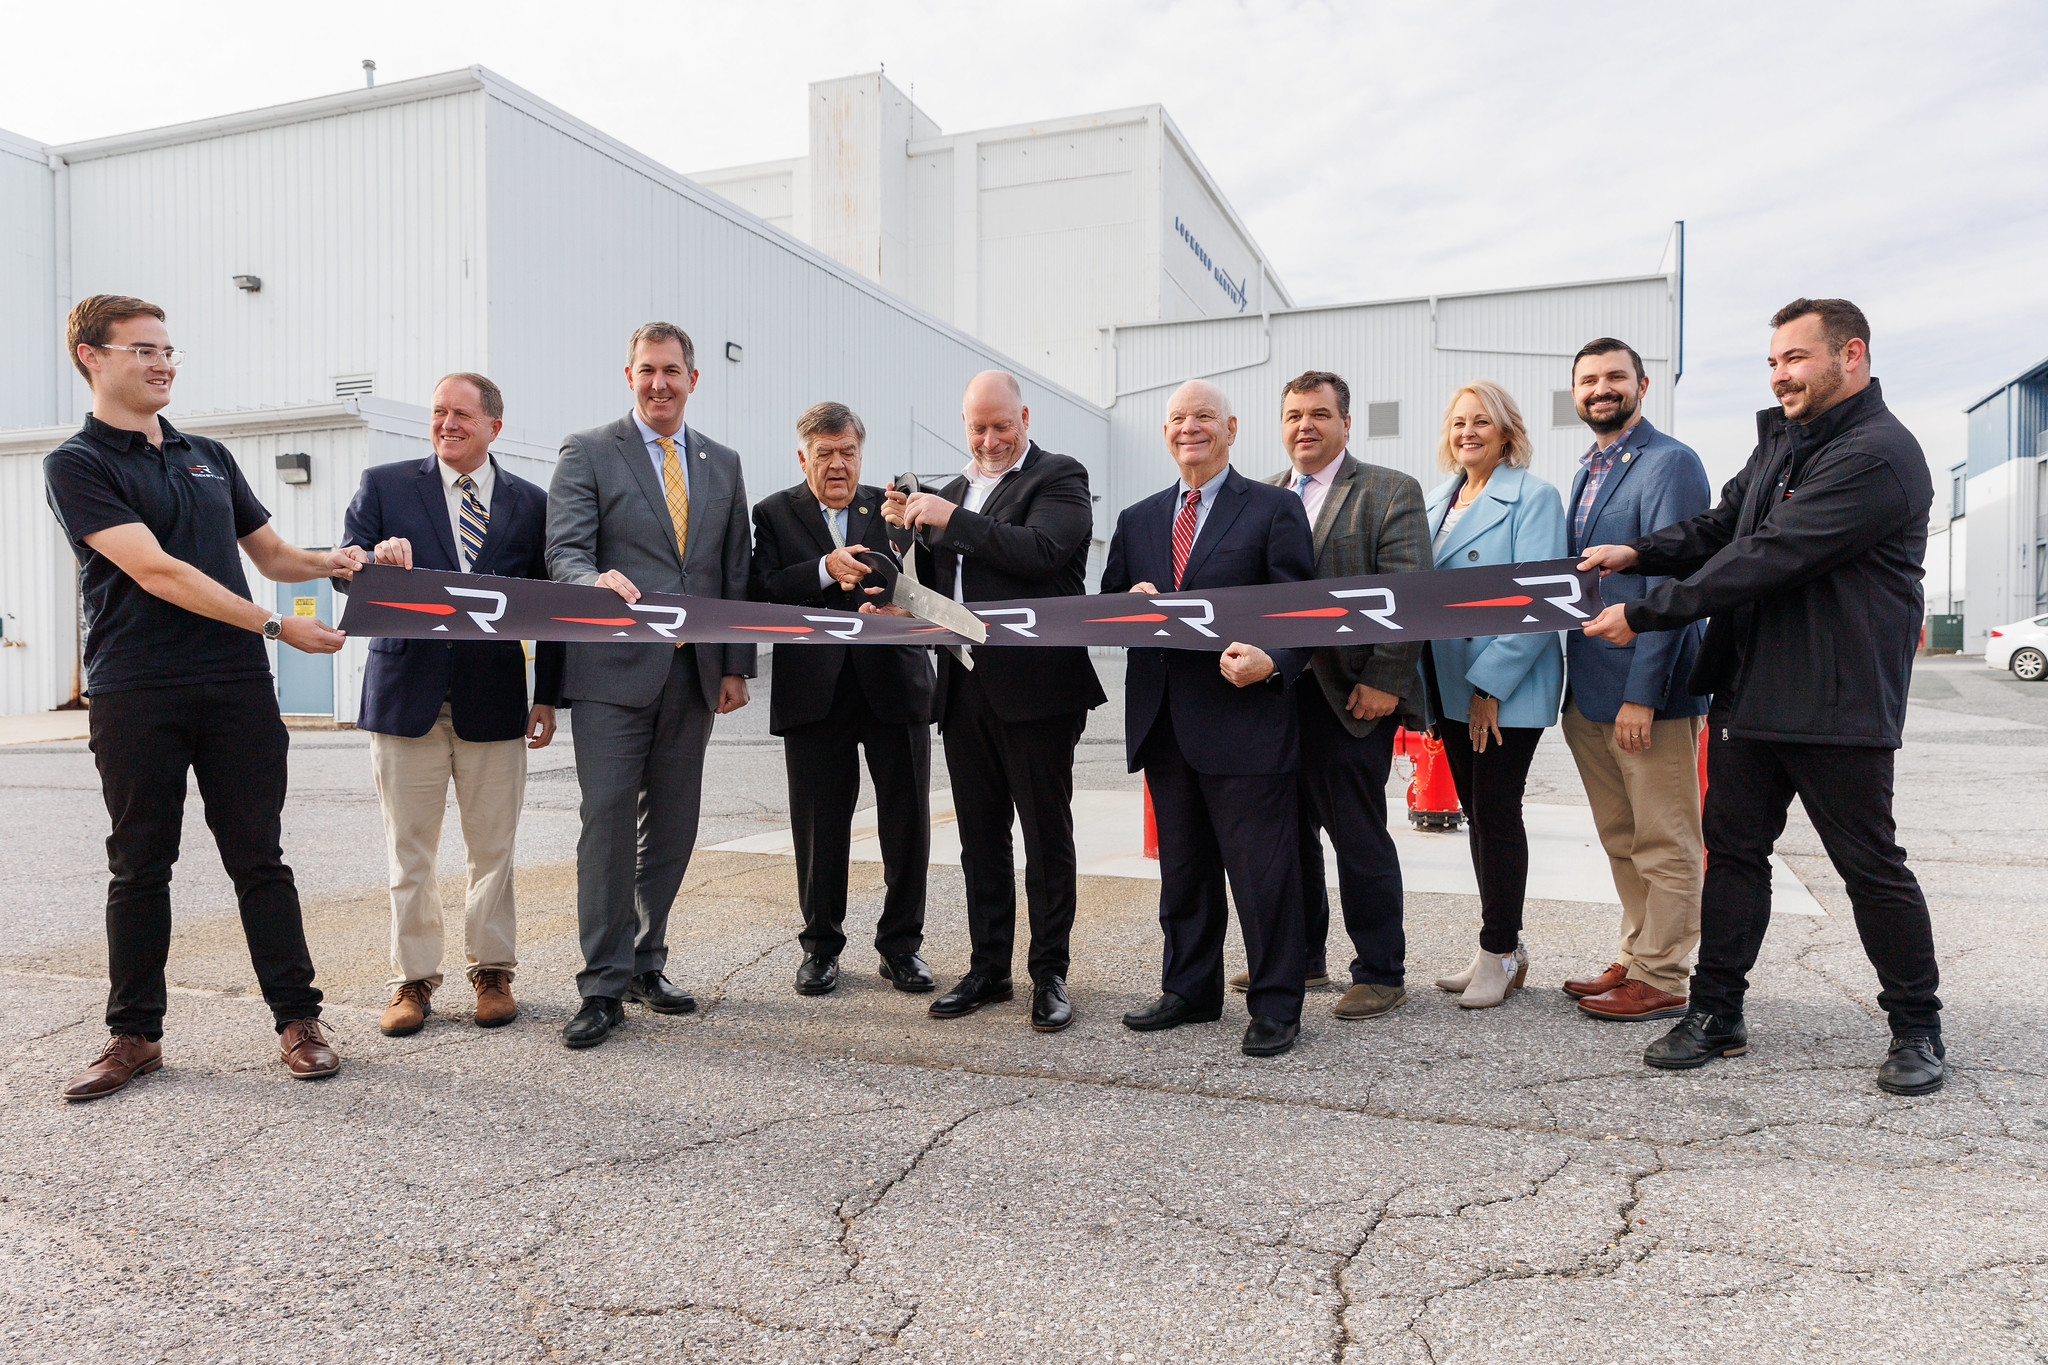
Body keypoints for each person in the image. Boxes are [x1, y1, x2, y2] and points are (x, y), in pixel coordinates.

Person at [1582, 298, 1944, 1095]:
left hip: (1838, 700)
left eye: (1796, 358)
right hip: (1750, 691)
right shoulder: (1781, 441)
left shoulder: (1880, 454)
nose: (1781, 375)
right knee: (1735, 856)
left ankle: (1917, 1025)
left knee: (1870, 867)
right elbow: (1722, 528)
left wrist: (1645, 611)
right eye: (1773, 362)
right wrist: (1637, 551)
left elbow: (1772, 555)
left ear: (1852, 355)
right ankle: (1717, 1012)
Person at [43, 294, 360, 1099]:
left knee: (259, 855)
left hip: (235, 688)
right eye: (144, 350)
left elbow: (272, 553)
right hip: (137, 687)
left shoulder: (207, 454)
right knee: (140, 864)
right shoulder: (77, 464)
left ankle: (299, 1020)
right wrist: (276, 626)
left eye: (168, 350)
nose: (163, 363)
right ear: (91, 356)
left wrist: (336, 561)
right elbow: (156, 570)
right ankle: (135, 1035)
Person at [545, 322, 756, 1049]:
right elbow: (564, 550)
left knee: (672, 826)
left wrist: (735, 663)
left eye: (671, 370)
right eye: (646, 370)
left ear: (693, 378)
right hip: (611, 671)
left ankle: (645, 960)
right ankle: (601, 985)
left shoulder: (723, 462)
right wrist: (590, 580)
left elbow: (732, 572)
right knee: (607, 825)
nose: (658, 383)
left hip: (692, 674)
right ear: (628, 375)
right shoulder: (587, 451)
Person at [341, 372, 565, 1036]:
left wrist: (549, 694)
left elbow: (551, 606)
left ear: (494, 425)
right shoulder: (384, 486)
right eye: (439, 412)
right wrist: (372, 561)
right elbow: (345, 579)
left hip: (493, 700)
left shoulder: (531, 503)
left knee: (493, 848)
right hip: (403, 696)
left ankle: (492, 969)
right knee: (408, 850)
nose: (447, 424)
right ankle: (411, 979)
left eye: (462, 414)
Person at [882, 370, 1104, 1033]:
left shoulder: (1059, 476)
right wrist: (897, 583)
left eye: (1001, 425)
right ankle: (988, 968)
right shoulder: (947, 493)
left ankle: (1050, 973)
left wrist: (950, 519)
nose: (989, 439)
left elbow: (1041, 553)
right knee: (980, 840)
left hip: (1037, 691)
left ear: (1025, 418)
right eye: (978, 427)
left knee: (1045, 835)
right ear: (964, 423)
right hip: (962, 687)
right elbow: (938, 595)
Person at [1101, 379, 1316, 1058]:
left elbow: (1303, 611)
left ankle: (1276, 1004)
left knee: (1262, 875)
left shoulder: (1275, 509)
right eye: (1176, 418)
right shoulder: (1137, 518)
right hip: (1166, 723)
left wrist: (1273, 661)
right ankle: (1190, 989)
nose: (1188, 428)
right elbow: (1107, 604)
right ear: (1165, 432)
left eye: (1202, 417)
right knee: (1184, 873)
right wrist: (1128, 603)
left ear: (1231, 428)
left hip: (1245, 721)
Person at [1255, 370, 1429, 1021]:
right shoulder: (1262, 495)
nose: (1305, 426)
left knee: (1357, 837)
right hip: (1273, 697)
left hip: (1351, 697)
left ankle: (1381, 970)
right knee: (1286, 837)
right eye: (1294, 415)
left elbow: (1407, 594)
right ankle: (1302, 956)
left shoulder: (1388, 491)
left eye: (1320, 414)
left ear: (1346, 423)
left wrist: (1386, 678)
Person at [749, 401, 935, 998]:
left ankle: (902, 946)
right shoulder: (774, 513)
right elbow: (762, 590)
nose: (837, 465)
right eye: (824, 453)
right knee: (819, 827)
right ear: (802, 457)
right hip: (814, 693)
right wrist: (824, 570)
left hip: (895, 685)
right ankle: (820, 948)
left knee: (906, 823)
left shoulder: (894, 508)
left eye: (847, 453)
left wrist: (906, 575)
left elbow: (930, 582)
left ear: (861, 454)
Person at [1556, 340, 1713, 1023]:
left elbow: (1673, 583)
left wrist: (1642, 696)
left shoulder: (1670, 463)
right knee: (1622, 837)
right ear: (1575, 393)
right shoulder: (1587, 470)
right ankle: (1637, 951)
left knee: (1664, 839)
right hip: (1591, 689)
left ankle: (1664, 973)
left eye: (1615, 376)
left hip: (1648, 692)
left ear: (1641, 385)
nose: (1601, 388)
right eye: (1588, 379)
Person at [1422, 381, 1566, 1010]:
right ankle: (1501, 948)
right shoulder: (1437, 501)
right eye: (1459, 422)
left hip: (1504, 684)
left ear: (1507, 432)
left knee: (1497, 814)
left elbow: (1539, 601)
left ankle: (1499, 950)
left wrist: (1489, 687)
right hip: (1449, 683)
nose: (1467, 433)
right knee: (1477, 816)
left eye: (1481, 421)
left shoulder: (1534, 498)